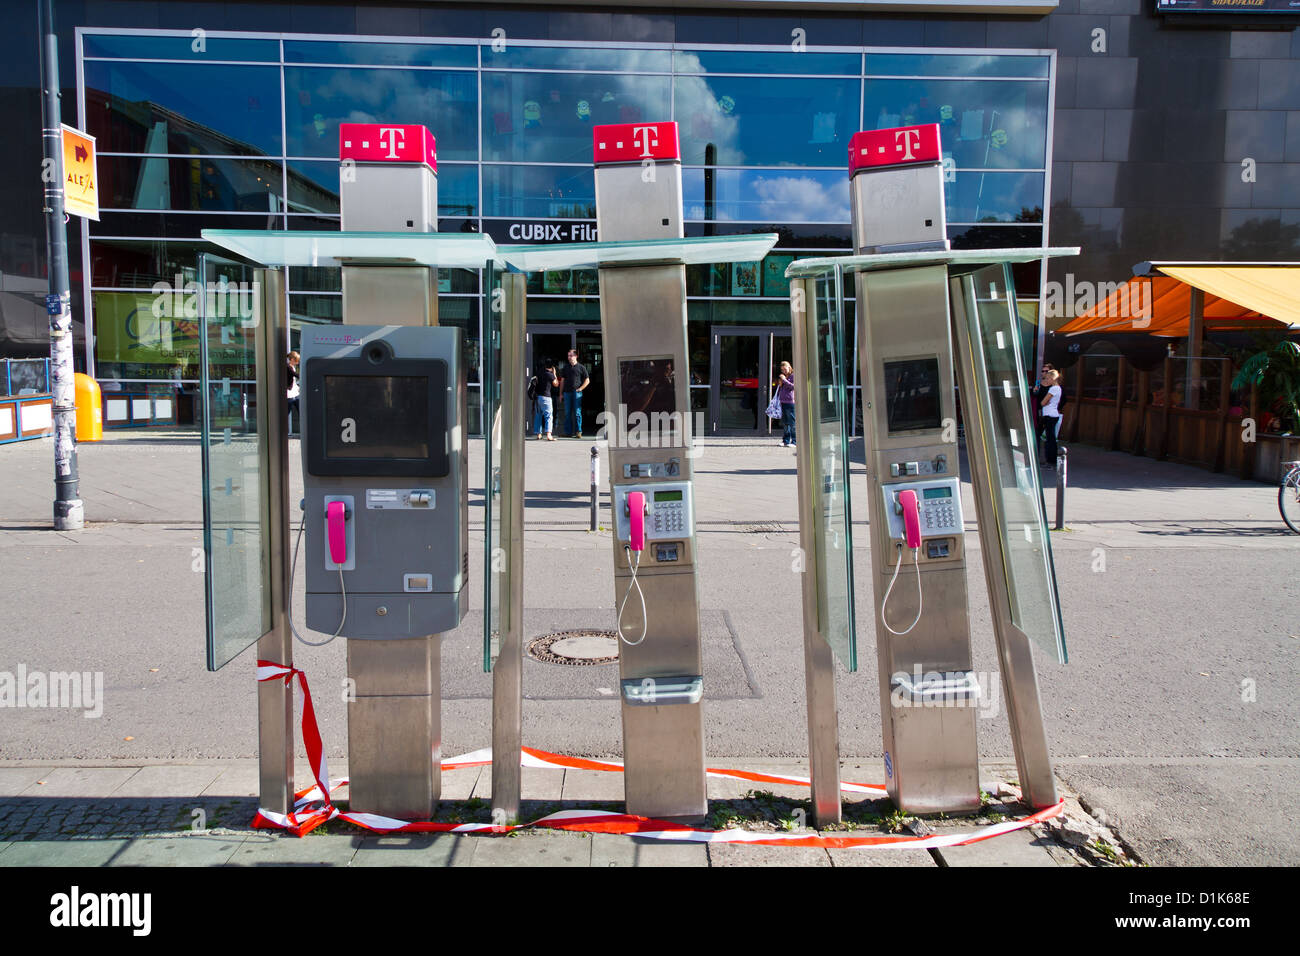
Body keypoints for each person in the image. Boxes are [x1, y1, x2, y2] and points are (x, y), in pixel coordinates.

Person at [560, 348, 590, 437]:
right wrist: (560, 394)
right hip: (567, 393)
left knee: (577, 412)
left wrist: (581, 388)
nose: (569, 357)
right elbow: (562, 381)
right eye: (568, 356)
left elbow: (587, 380)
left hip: (577, 393)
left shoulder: (581, 367)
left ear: (576, 356)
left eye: (571, 355)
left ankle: (578, 432)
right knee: (567, 413)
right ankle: (568, 432)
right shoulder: (566, 367)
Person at [1038, 368, 1062, 468]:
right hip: (1053, 414)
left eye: (1048, 378)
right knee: (1051, 438)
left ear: (1053, 378)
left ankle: (1050, 461)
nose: (1046, 380)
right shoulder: (1058, 388)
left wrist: (1046, 402)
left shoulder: (1053, 389)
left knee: (1049, 439)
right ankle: (1051, 460)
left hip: (1050, 415)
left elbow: (1043, 402)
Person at [530, 359, 560, 441]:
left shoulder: (539, 373)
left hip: (537, 397)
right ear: (552, 367)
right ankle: (548, 435)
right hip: (546, 397)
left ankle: (538, 434)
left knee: (538, 415)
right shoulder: (550, 374)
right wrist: (555, 374)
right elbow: (556, 384)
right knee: (548, 416)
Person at [776, 360, 796, 447]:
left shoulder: (793, 376)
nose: (784, 371)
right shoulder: (784, 377)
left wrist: (784, 380)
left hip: (790, 402)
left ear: (789, 367)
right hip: (783, 401)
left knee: (792, 422)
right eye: (782, 370)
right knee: (785, 423)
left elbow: (793, 387)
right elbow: (781, 388)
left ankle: (794, 441)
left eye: (785, 369)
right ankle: (785, 440)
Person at [286, 351, 300, 436]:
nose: (297, 362)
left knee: (301, 411)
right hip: (289, 394)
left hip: (295, 392)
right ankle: (283, 432)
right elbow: (295, 375)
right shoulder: (288, 367)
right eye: (296, 361)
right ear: (291, 359)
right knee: (286, 413)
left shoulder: (292, 366)